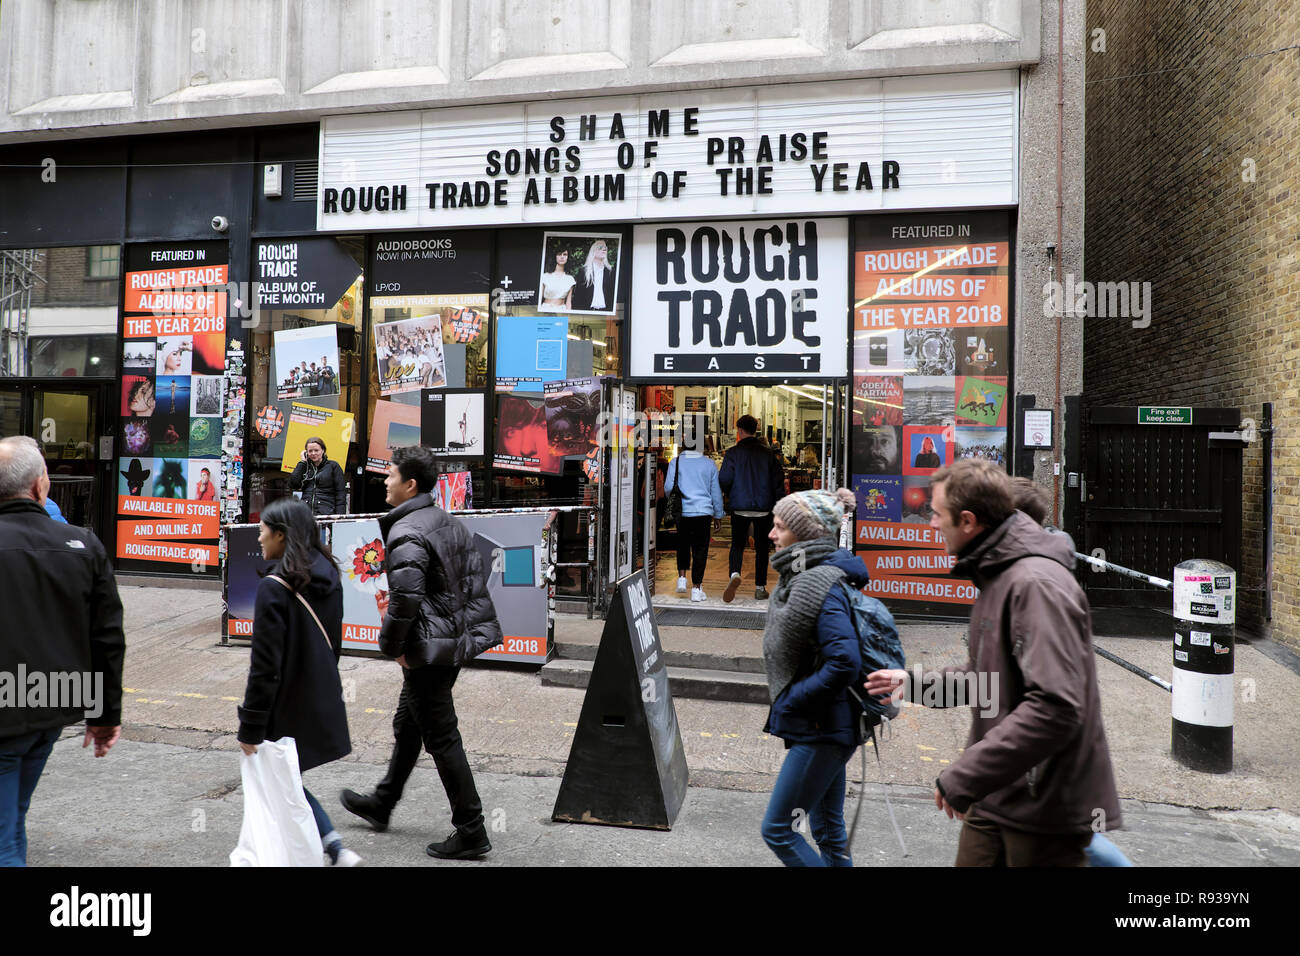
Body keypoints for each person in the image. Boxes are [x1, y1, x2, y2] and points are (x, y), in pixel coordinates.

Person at [864, 459, 1122, 867]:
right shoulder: (997, 573)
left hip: (1043, 804)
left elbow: (1055, 707)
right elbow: (985, 681)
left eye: (936, 514)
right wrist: (909, 683)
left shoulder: (1035, 584)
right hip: (998, 792)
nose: (930, 524)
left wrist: (966, 775)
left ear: (967, 521)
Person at [339, 446, 503, 859]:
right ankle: (383, 802)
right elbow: (469, 581)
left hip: (428, 651)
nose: (385, 480)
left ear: (410, 484)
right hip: (445, 646)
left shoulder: (407, 530)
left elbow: (405, 600)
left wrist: (394, 648)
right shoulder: (446, 521)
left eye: (390, 474)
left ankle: (472, 828)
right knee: (409, 723)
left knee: (442, 736)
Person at [0, 436, 124, 866]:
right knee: (12, 819)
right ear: (39, 487)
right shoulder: (84, 545)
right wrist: (105, 715)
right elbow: (107, 636)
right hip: (52, 703)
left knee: (6, 831)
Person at [1008, 476, 1134, 868]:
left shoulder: (1037, 581)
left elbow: (1053, 697)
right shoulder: (1028, 570)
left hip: (1047, 760)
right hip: (1026, 760)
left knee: (1076, 837)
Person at [236, 497, 359, 867]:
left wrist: (250, 725)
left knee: (280, 779)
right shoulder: (329, 574)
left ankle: (329, 849)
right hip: (319, 697)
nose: (258, 538)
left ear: (282, 536)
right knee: (285, 780)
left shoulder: (274, 588)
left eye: (263, 530)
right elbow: (333, 645)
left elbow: (265, 667)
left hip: (283, 704)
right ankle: (332, 847)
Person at [760, 487, 866, 866]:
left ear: (804, 535)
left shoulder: (818, 582)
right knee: (827, 831)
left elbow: (845, 660)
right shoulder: (807, 574)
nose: (771, 535)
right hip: (830, 724)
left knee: (778, 830)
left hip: (822, 729)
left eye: (779, 527)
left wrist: (792, 698)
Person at [718, 414, 785, 602]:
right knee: (762, 548)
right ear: (755, 430)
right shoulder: (768, 455)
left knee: (737, 544)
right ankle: (760, 587)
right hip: (764, 508)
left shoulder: (732, 453)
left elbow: (724, 479)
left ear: (739, 431)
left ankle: (734, 574)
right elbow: (778, 483)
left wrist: (731, 494)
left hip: (739, 507)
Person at [664, 445, 724, 602]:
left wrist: (677, 499)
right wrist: (718, 514)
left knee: (682, 544)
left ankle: (682, 578)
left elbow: (669, 487)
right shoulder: (709, 464)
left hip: (682, 511)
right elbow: (715, 491)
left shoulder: (675, 462)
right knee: (700, 550)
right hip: (703, 512)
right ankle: (696, 589)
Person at [288, 437, 348, 517]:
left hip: (326, 513)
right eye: (310, 451)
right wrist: (302, 462)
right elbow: (293, 484)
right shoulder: (305, 466)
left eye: (316, 450)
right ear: (306, 452)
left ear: (323, 451)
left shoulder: (333, 466)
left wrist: (339, 516)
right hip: (306, 513)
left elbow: (340, 493)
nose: (313, 453)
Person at [571, 239, 615, 312]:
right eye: (600, 247)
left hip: (606, 312)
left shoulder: (610, 272)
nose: (604, 249)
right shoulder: (584, 271)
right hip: (587, 311)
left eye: (605, 248)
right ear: (593, 251)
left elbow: (612, 295)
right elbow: (578, 296)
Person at [540, 246, 575, 310]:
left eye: (565, 254)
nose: (562, 257)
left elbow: (568, 302)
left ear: (568, 257)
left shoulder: (570, 279)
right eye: (559, 254)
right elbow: (539, 298)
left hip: (562, 310)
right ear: (555, 256)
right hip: (546, 308)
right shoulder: (545, 276)